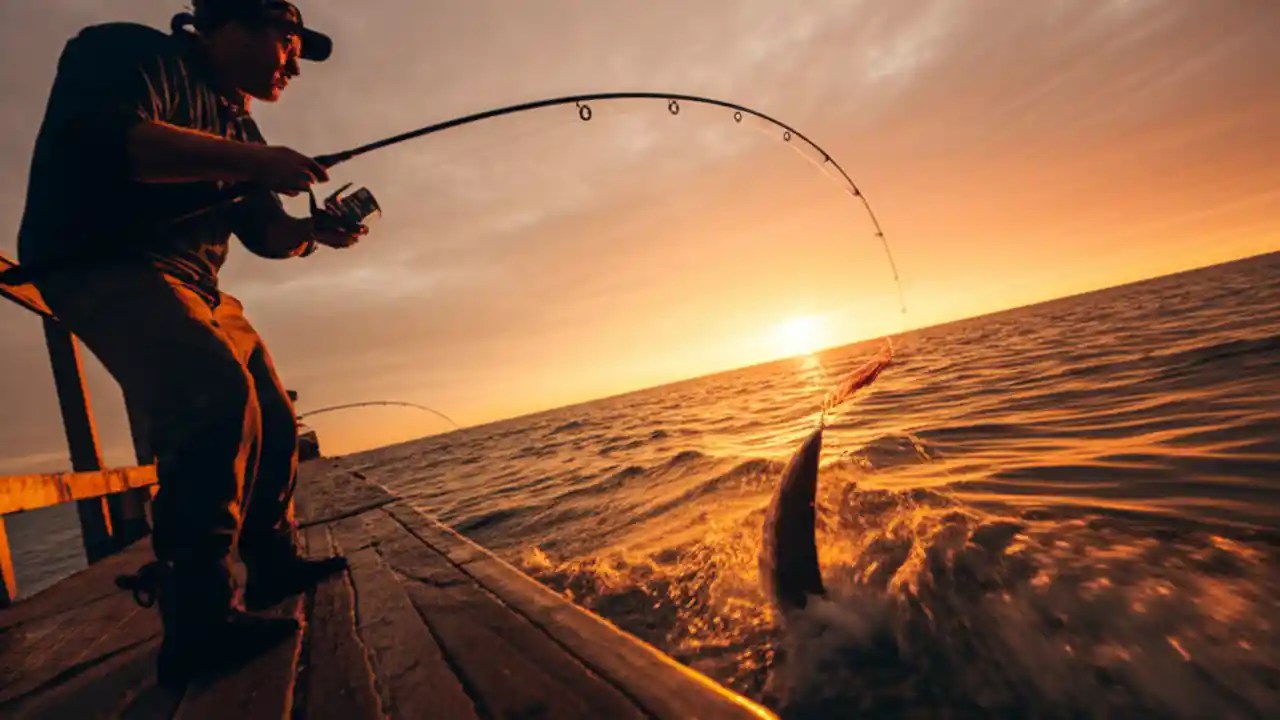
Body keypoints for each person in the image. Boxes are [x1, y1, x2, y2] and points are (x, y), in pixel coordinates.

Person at [16, 0, 363, 685]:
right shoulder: (124, 52)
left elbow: (266, 235)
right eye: (288, 43)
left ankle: (272, 561)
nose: (294, 63)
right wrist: (254, 160)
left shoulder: (239, 123)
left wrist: (314, 235)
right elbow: (120, 144)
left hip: (194, 280)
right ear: (229, 22)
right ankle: (198, 621)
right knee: (211, 392)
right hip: (99, 258)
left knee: (271, 411)